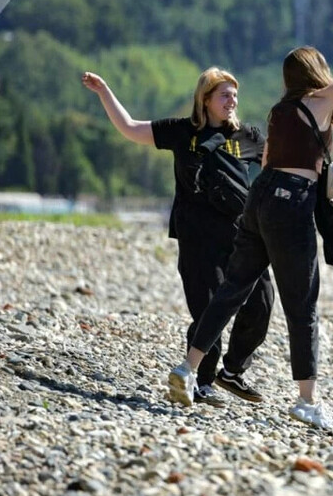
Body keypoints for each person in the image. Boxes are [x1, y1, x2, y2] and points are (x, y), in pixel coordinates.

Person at [165, 23, 333, 428]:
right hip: (289, 203)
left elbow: (266, 164)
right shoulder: (320, 100)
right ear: (317, 72)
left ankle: (188, 369)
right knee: (303, 304)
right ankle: (306, 401)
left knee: (232, 289)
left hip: (259, 199)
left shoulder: (279, 111)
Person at [82, 68, 275, 407]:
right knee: (208, 310)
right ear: (205, 99)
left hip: (241, 236)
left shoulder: (247, 136)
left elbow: (282, 164)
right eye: (224, 95)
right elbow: (129, 128)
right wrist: (104, 92)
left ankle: (231, 371)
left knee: (262, 302)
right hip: (197, 238)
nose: (232, 101)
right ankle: (201, 382)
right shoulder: (182, 131)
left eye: (234, 95)